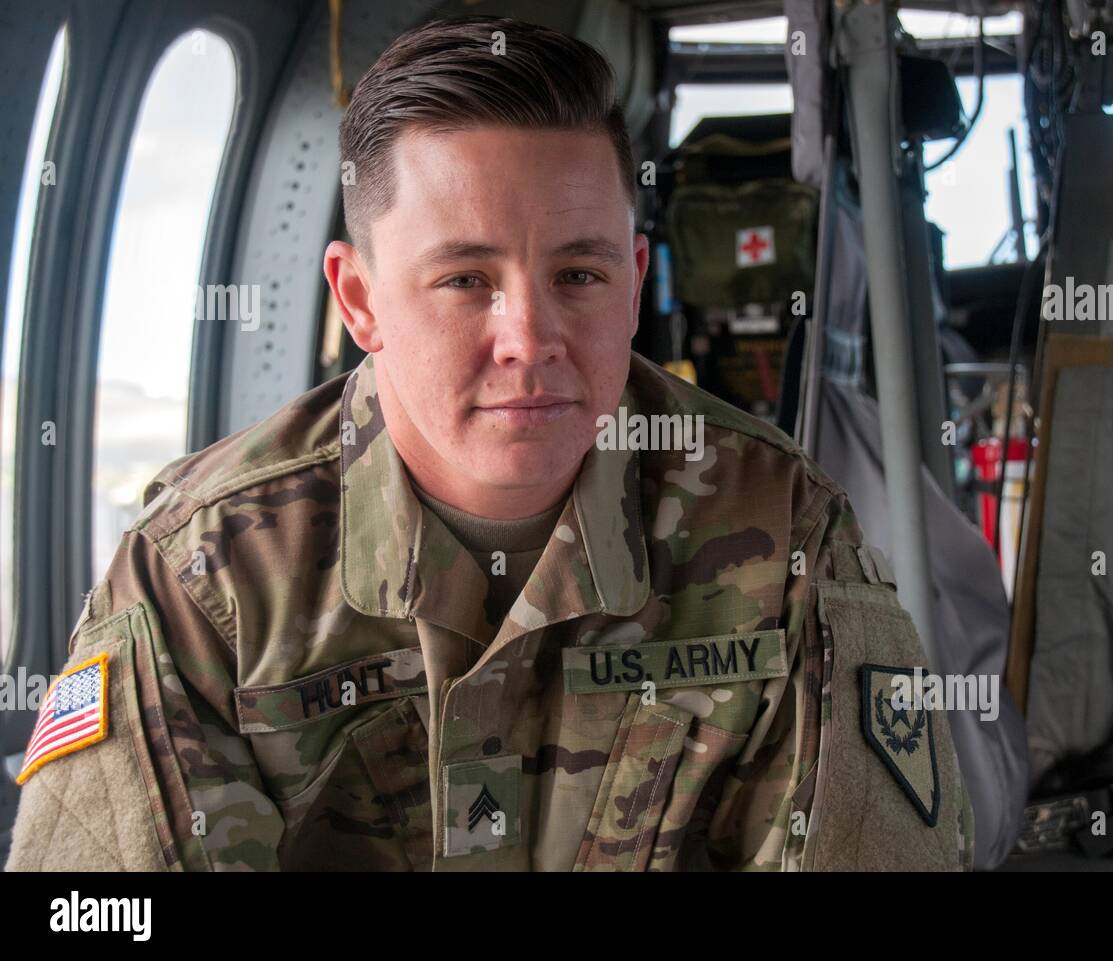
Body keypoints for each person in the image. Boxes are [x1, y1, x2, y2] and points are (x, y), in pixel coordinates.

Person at [6, 14, 971, 871]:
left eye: (580, 275)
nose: (530, 336)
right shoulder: (204, 579)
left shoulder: (787, 535)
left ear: (635, 283)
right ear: (360, 300)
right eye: (466, 279)